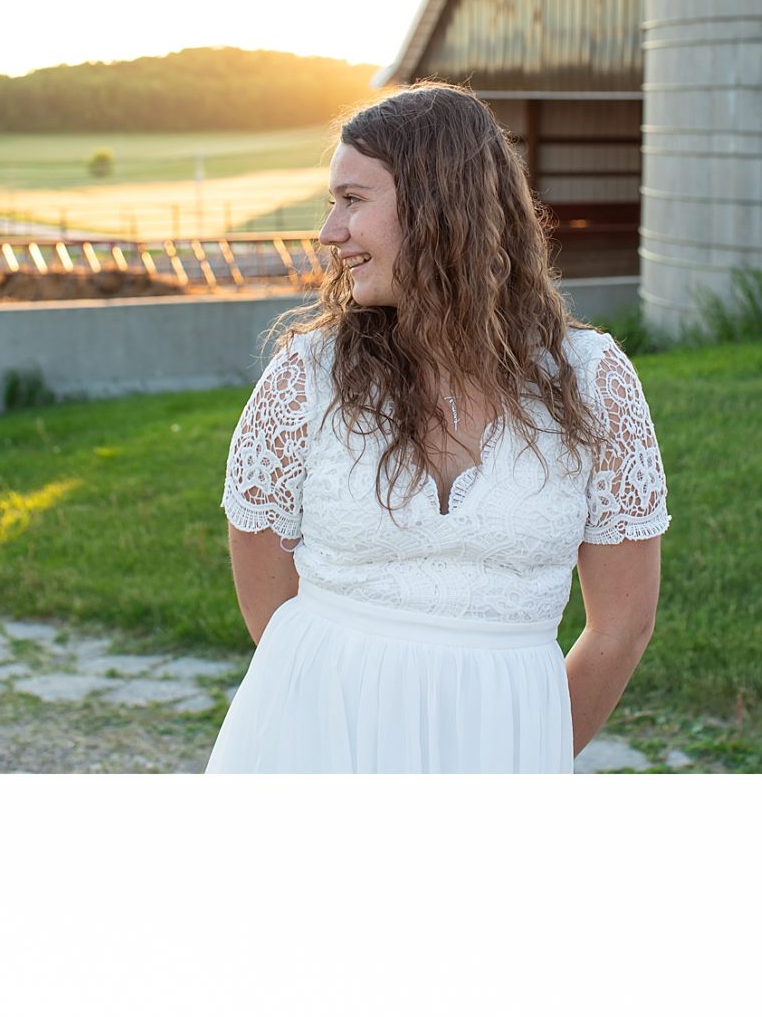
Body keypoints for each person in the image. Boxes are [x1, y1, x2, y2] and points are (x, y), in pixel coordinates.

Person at [207, 84, 667, 775]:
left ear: (437, 205)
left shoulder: (593, 381)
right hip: (313, 746)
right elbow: (267, 600)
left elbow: (622, 627)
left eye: (352, 200)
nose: (330, 232)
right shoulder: (308, 376)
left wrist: (523, 749)